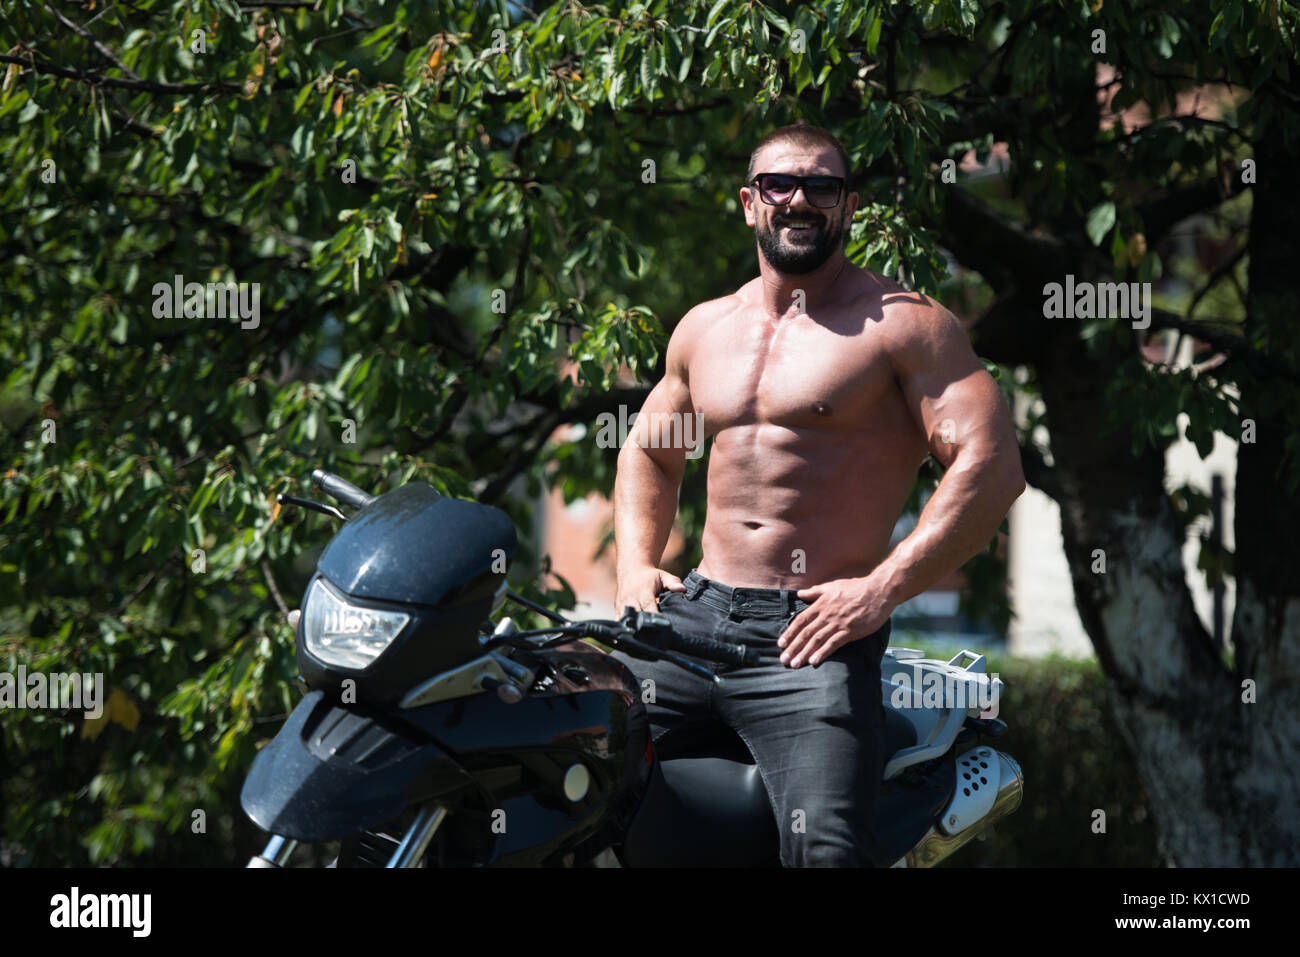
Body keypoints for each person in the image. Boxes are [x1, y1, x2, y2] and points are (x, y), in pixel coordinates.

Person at [609, 122, 1025, 867]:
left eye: (822, 186)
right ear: (748, 203)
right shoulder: (705, 328)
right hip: (688, 618)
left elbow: (992, 465)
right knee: (568, 791)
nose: (799, 199)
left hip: (811, 636)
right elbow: (650, 451)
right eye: (780, 184)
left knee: (825, 852)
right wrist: (635, 567)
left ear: (849, 206)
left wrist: (879, 592)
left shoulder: (906, 325)